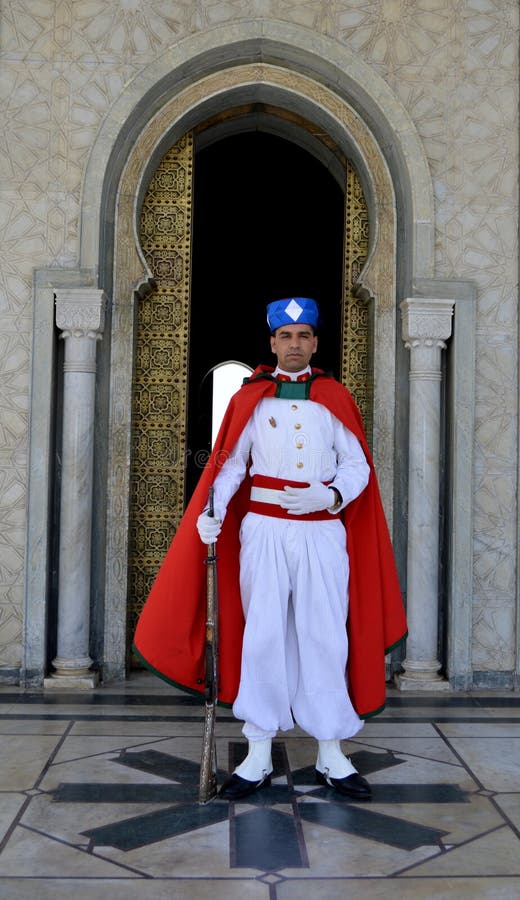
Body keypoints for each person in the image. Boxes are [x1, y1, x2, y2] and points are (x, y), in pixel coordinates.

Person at [134, 297, 407, 802]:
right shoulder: (250, 399)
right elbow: (230, 465)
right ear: (272, 343)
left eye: (303, 336)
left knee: (325, 635)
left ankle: (331, 751)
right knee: (262, 635)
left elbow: (358, 466)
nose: (295, 344)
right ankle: (257, 751)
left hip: (322, 532)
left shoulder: (335, 397)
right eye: (286, 336)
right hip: (262, 531)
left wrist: (331, 495)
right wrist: (212, 509)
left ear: (315, 343)